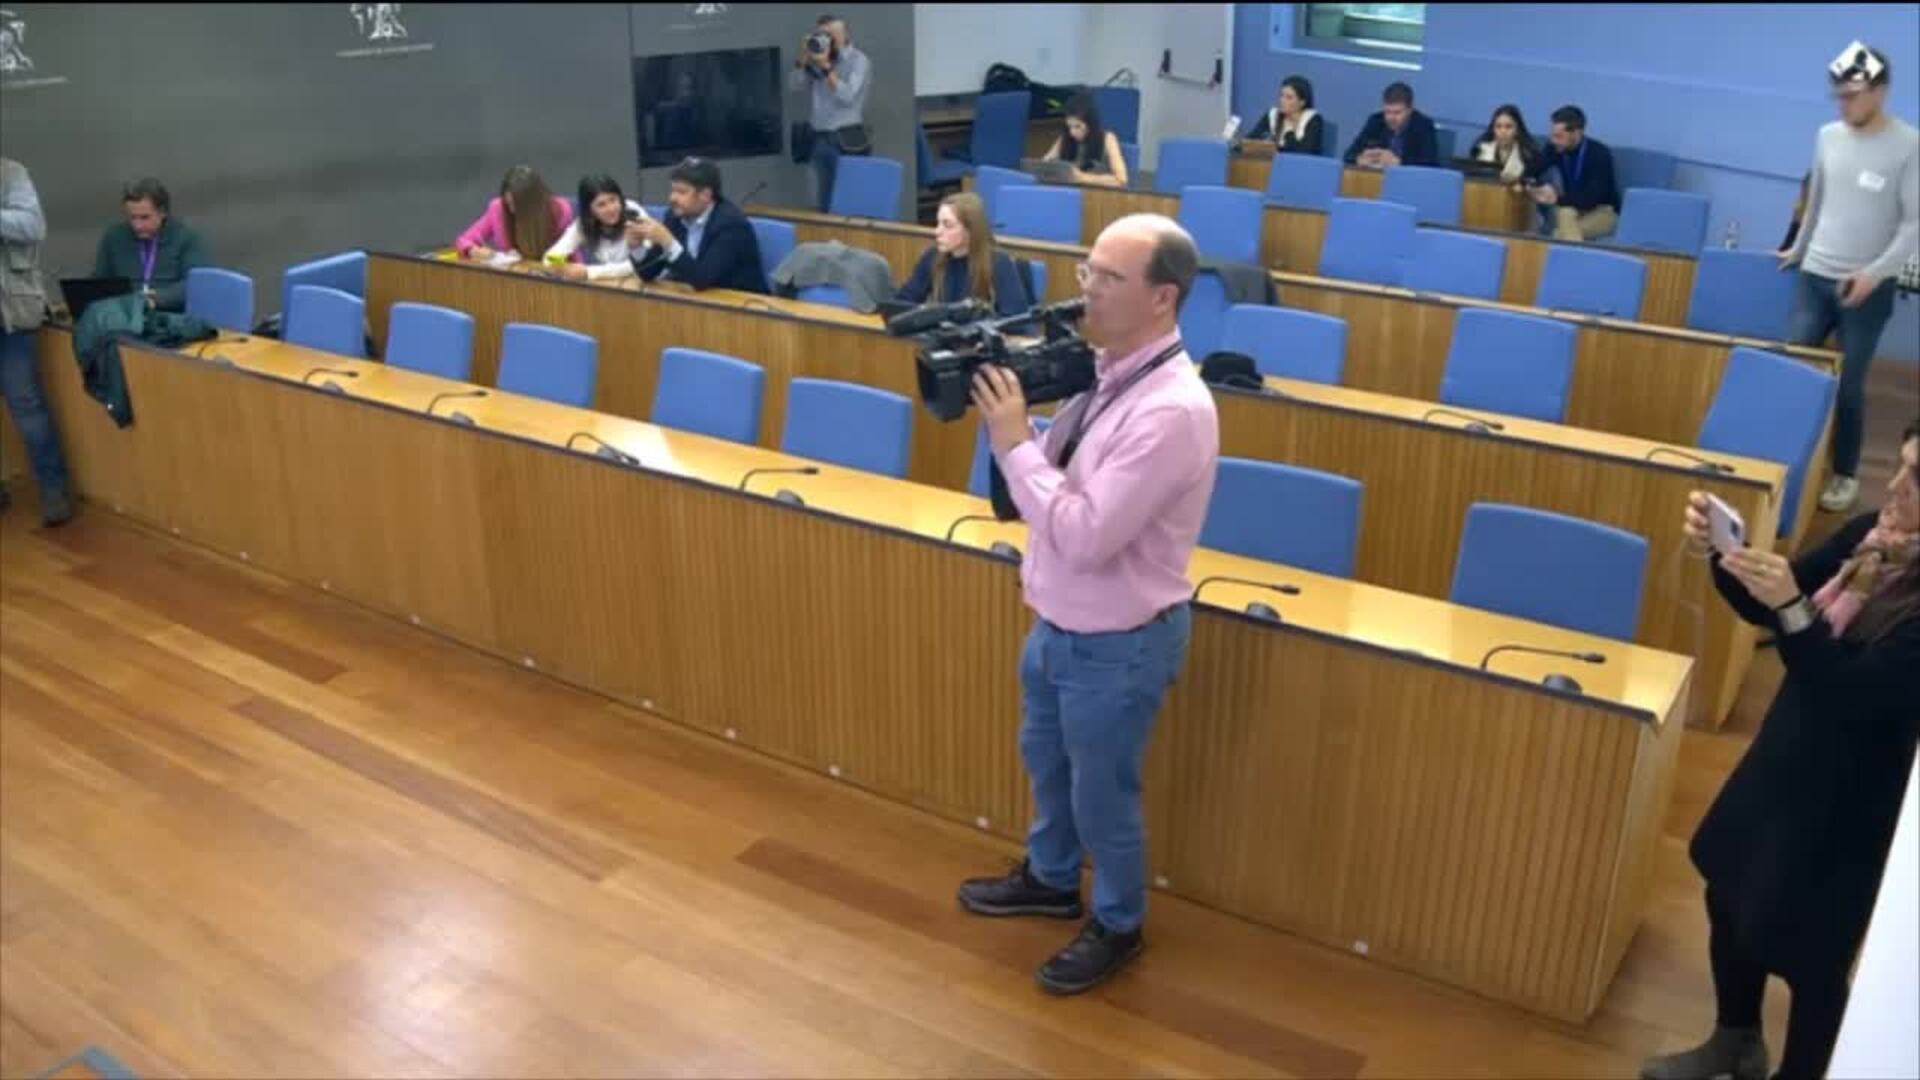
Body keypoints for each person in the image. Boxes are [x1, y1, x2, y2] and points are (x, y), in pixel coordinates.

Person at [957, 213, 1219, 996]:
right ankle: (1050, 876)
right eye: (1086, 270)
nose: (1084, 291)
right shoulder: (1109, 373)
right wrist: (1026, 428)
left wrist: (1012, 444)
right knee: (1048, 765)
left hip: (1119, 640)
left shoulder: (1171, 409)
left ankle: (1117, 922)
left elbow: (1088, 532)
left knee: (1104, 795)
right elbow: (1063, 475)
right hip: (1058, 623)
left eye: (1107, 278)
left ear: (1162, 298)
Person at [1642, 420, 1920, 1080]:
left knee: (1813, 959)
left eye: (1918, 479)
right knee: (1728, 893)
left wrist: (1792, 607)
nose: (1897, 484)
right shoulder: (1870, 541)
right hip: (1789, 751)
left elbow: (1859, 695)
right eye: (1903, 464)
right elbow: (1772, 604)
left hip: (1856, 791)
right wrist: (1723, 554)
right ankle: (1735, 1039)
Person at [1778, 43, 1918, 514]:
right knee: (1794, 366)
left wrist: (1875, 273)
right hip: (1815, 274)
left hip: (1868, 290)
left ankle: (1844, 474)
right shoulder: (1827, 136)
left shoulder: (1909, 145)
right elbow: (1816, 200)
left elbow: (1913, 224)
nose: (1845, 104)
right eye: (1839, 95)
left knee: (1849, 384)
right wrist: (1796, 249)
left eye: (1854, 95)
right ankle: (1786, 460)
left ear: (1880, 91)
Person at [0, 158, 72, 526]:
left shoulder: (11, 174)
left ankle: (53, 488)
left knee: (26, 405)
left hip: (11, 312)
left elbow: (32, 226)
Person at [631, 157, 769, 294]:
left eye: (681, 192)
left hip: (742, 307)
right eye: (673, 191)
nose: (672, 198)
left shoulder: (731, 225)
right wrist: (636, 248)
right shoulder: (674, 217)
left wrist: (668, 242)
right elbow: (647, 274)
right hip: (698, 303)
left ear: (705, 195)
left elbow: (702, 279)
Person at [895, 192, 1032, 316]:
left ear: (970, 230)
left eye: (948, 225)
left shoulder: (998, 263)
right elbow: (904, 302)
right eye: (938, 224)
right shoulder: (933, 256)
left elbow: (1016, 322)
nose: (937, 231)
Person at [790, 12, 871, 213]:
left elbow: (848, 96)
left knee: (848, 199)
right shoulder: (816, 59)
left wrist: (826, 67)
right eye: (821, 34)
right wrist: (803, 58)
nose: (826, 40)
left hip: (845, 139)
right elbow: (795, 85)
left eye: (830, 34)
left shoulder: (859, 60)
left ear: (843, 35)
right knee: (822, 200)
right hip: (818, 137)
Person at [92, 177, 207, 313]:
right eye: (132, 217)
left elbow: (196, 284)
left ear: (163, 212)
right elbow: (99, 281)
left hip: (170, 316)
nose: (137, 225)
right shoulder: (114, 237)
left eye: (144, 217)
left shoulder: (186, 237)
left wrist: (156, 299)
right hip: (125, 315)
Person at [1524, 105, 1620, 241]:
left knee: (1559, 231)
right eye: (1552, 135)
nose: (1553, 140)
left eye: (1559, 136)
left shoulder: (1599, 154)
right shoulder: (1555, 148)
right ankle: (1574, 257)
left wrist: (1556, 198)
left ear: (1577, 133)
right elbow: (1531, 170)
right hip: (1571, 209)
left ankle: (1570, 254)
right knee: (1565, 213)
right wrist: (1535, 185)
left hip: (1602, 211)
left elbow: (1591, 198)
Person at [454, 165, 573, 264]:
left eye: (517, 205)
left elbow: (571, 257)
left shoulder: (558, 212)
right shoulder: (498, 209)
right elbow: (464, 240)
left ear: (534, 203)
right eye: (509, 204)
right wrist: (473, 251)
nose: (512, 210)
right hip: (512, 282)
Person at [543, 175, 651, 283]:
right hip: (609, 283)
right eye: (601, 205)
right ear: (590, 210)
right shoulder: (584, 223)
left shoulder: (634, 213)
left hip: (641, 282)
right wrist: (563, 266)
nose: (611, 208)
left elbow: (645, 262)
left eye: (613, 200)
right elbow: (550, 257)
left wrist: (589, 272)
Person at [1043, 92, 1130, 188]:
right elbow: (1045, 165)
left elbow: (1121, 180)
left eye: (1078, 126)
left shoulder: (1107, 139)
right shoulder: (1065, 138)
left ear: (1090, 124)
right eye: (1069, 127)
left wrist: (1083, 178)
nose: (1072, 132)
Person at [1343, 81, 1438, 168]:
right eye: (1387, 112)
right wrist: (1360, 159)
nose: (1391, 118)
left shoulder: (1424, 125)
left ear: (1410, 109)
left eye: (1397, 112)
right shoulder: (1376, 121)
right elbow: (1348, 155)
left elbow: (1430, 164)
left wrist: (1399, 162)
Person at [1243, 75, 1324, 155]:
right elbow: (1250, 141)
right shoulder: (1273, 115)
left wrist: (1289, 132)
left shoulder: (1313, 120)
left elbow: (1304, 153)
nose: (1282, 100)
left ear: (1302, 102)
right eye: (1281, 95)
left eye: (1289, 97)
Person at [1470, 103, 1542, 184]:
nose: (1503, 132)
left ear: (1517, 130)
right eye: (1498, 126)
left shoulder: (1529, 157)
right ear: (1493, 129)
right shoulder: (1480, 151)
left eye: (1508, 127)